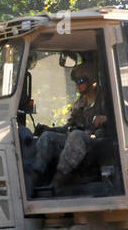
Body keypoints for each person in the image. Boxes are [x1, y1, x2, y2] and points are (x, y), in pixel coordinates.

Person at [30, 62, 108, 190]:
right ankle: (33, 179)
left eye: (81, 80)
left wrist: (106, 118)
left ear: (91, 80)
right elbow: (69, 127)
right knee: (47, 137)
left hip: (98, 142)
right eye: (76, 81)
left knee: (76, 136)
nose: (78, 84)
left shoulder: (107, 97)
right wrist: (50, 129)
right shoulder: (80, 104)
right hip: (78, 140)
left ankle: (57, 182)